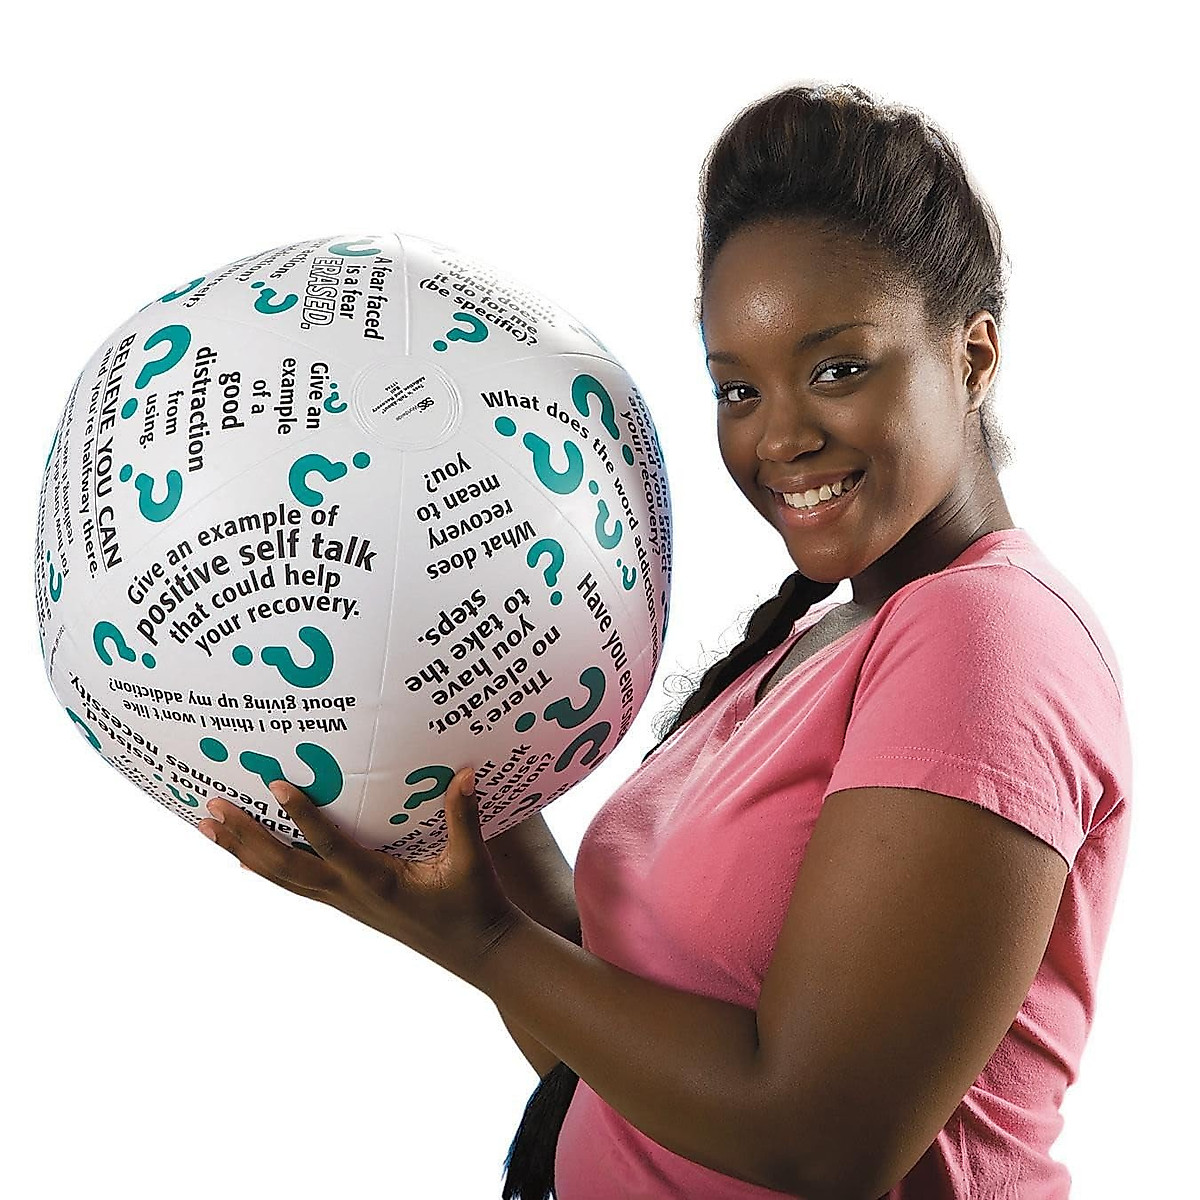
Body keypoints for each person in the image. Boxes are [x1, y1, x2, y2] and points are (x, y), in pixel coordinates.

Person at [495, 81, 1131, 1198]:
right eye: (737, 388)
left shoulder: (988, 636)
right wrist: (460, 795)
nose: (779, 435)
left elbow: (821, 1139)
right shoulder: (816, 641)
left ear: (973, 356)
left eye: (838, 369)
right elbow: (616, 1062)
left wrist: (473, 939)